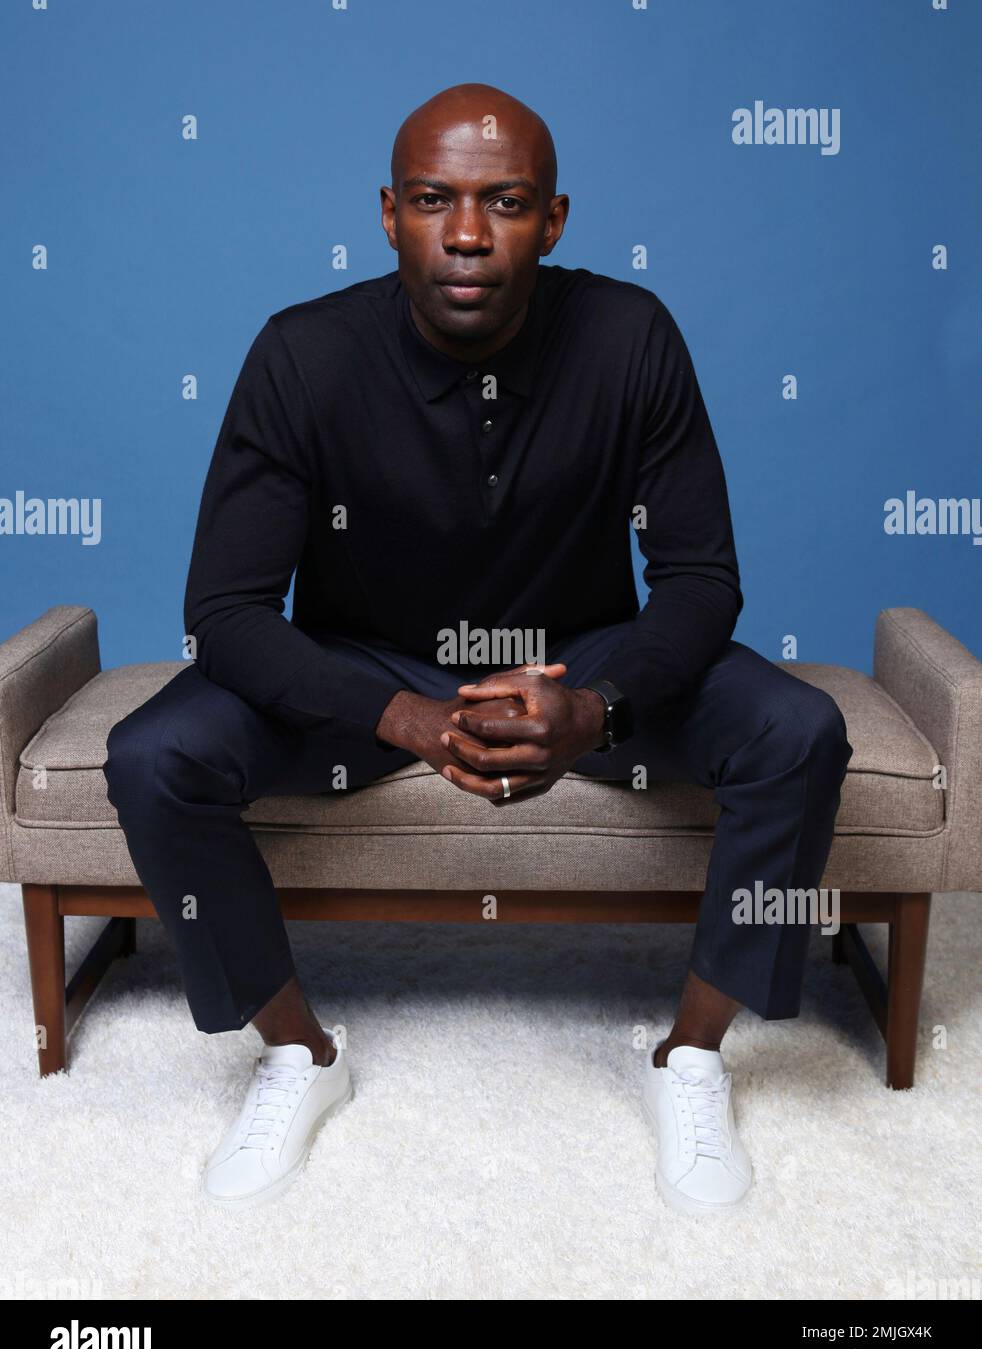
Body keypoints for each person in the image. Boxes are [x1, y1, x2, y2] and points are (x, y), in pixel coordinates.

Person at [103, 82, 852, 1216]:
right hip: (364, 669)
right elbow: (229, 610)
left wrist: (596, 706)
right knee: (153, 754)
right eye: (432, 199)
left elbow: (700, 582)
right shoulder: (301, 356)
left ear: (552, 221)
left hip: (578, 660)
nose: (466, 233)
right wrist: (397, 714)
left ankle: (690, 1053)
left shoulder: (630, 335)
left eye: (503, 202)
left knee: (800, 729)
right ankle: (300, 1052)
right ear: (389, 214)